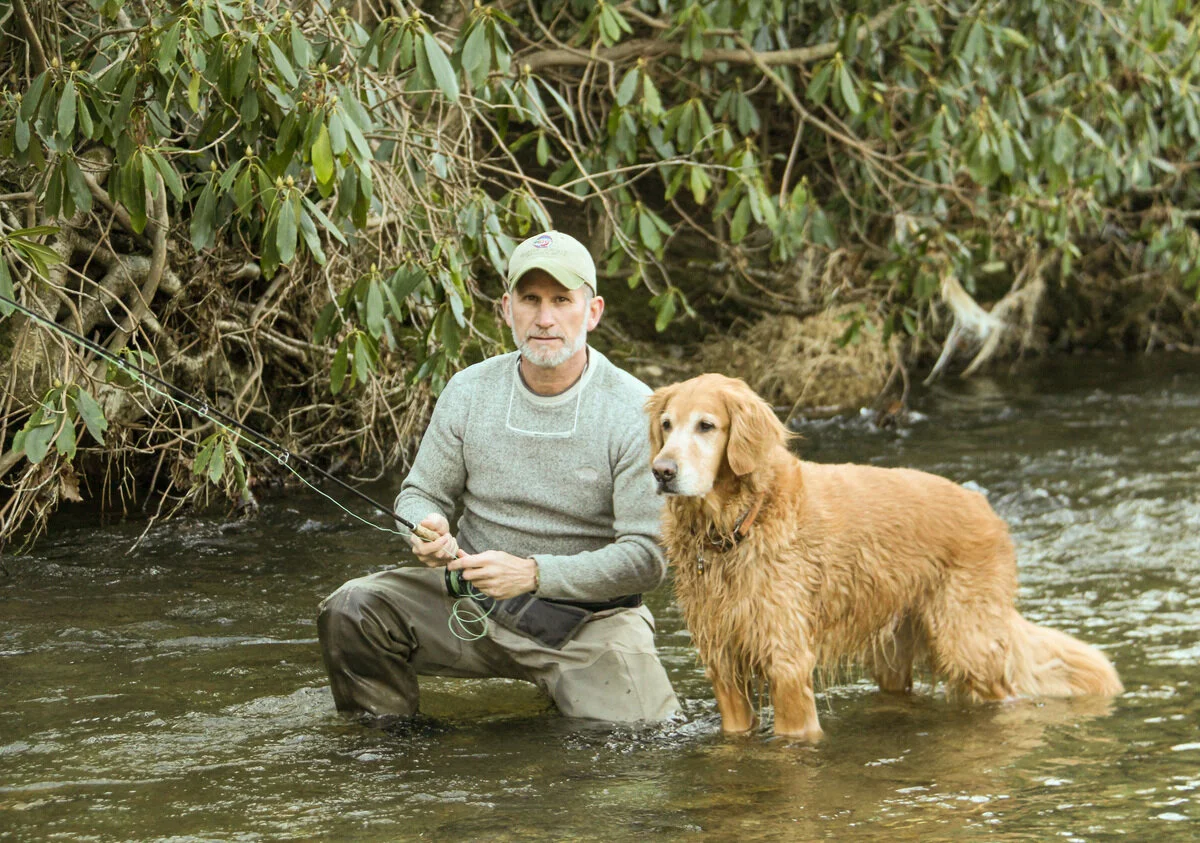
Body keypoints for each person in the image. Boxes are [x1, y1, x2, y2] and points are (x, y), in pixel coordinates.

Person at [317, 230, 680, 724]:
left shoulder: (636, 411)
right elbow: (420, 493)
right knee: (351, 610)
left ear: (592, 311)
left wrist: (533, 574)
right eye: (530, 300)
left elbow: (648, 558)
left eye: (561, 300)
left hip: (590, 623)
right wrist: (423, 527)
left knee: (643, 749)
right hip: (470, 604)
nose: (545, 318)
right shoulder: (468, 391)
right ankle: (390, 753)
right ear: (506, 309)